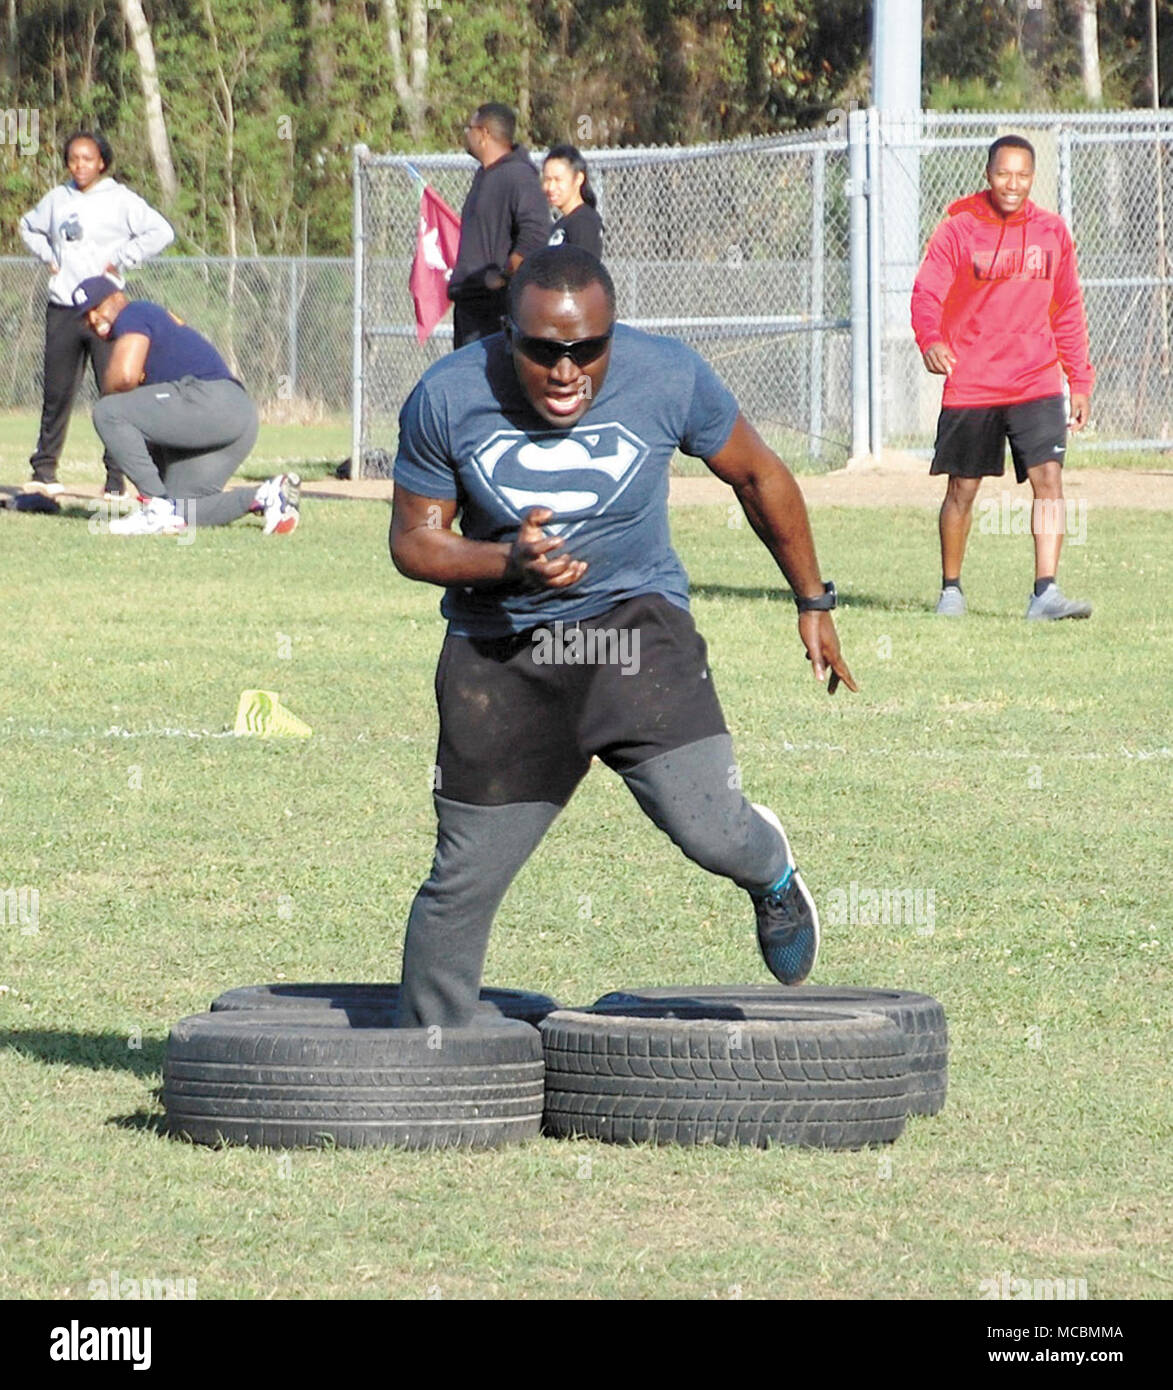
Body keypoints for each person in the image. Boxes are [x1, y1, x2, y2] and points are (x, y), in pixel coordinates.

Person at [389, 246, 856, 1030]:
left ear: (613, 334)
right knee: (464, 879)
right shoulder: (447, 395)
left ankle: (768, 866)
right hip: (501, 652)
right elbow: (413, 541)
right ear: (507, 335)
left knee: (709, 828)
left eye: (587, 349)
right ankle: (430, 1065)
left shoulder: (666, 374)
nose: (567, 370)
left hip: (631, 633)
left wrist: (811, 597)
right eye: (543, 350)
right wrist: (506, 560)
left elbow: (756, 474)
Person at [911, 134, 1095, 621]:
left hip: (1035, 379)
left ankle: (1046, 593)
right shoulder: (959, 228)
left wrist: (1079, 380)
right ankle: (951, 590)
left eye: (1022, 174)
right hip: (972, 381)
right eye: (1003, 173)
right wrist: (930, 339)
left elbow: (1068, 309)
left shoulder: (1052, 232)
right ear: (988, 174)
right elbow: (927, 292)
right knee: (962, 490)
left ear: (1033, 178)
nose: (1012, 184)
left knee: (1049, 481)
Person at [70, 276, 300, 537]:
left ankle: (153, 507)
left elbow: (124, 377)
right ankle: (266, 495)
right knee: (180, 508)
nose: (92, 318)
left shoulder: (133, 312)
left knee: (108, 411)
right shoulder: (140, 327)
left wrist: (108, 397)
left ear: (116, 298)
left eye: (96, 307)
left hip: (210, 399)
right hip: (236, 417)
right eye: (84, 316)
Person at [19, 130, 174, 499]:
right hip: (63, 308)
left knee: (115, 394)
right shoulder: (57, 199)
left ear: (101, 162)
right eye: (73, 158)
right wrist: (49, 256)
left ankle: (115, 478)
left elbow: (161, 232)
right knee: (57, 392)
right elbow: (28, 227)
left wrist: (122, 259)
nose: (80, 165)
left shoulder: (120, 199)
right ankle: (44, 471)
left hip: (107, 313)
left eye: (88, 158)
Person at [447, 102, 551, 349]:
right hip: (469, 307)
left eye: (469, 128)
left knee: (487, 385)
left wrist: (504, 277)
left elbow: (535, 234)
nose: (466, 134)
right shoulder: (486, 174)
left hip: (493, 313)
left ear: (483, 134)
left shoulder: (518, 175)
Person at [542, 144, 604, 257]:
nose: (551, 187)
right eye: (547, 179)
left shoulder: (583, 222)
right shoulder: (564, 223)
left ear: (579, 179)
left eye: (558, 179)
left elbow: (584, 270)